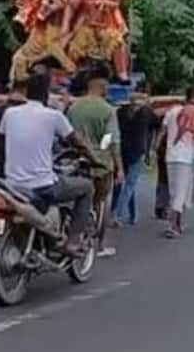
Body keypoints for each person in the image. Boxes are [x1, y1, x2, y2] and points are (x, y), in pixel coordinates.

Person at [0, 69, 97, 256]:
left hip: (11, 185)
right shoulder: (53, 116)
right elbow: (77, 141)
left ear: (26, 92)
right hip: (42, 186)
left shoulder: (10, 114)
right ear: (46, 93)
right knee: (87, 187)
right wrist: (94, 159)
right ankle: (73, 241)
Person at [65, 66, 123, 256]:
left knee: (78, 200)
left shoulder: (74, 108)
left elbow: (69, 134)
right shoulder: (107, 110)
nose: (107, 90)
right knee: (103, 202)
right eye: (105, 87)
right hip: (101, 162)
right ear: (99, 87)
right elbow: (110, 138)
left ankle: (75, 235)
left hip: (77, 159)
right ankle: (101, 244)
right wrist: (112, 160)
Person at [164, 86, 194, 239]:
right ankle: (172, 226)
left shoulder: (172, 111)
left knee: (174, 192)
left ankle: (177, 223)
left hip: (170, 155)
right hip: (186, 157)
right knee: (182, 192)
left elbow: (162, 133)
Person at [113, 83, 158, 226]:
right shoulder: (146, 112)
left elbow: (111, 132)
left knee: (123, 184)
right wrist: (151, 149)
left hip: (122, 150)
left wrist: (104, 149)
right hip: (138, 151)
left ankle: (131, 215)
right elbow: (157, 126)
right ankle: (119, 215)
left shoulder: (120, 112)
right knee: (130, 185)